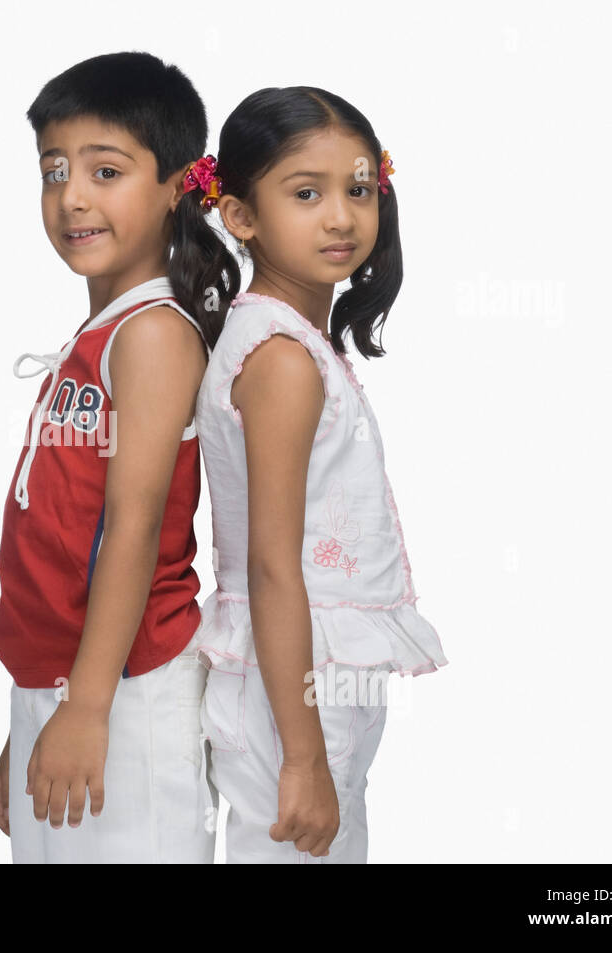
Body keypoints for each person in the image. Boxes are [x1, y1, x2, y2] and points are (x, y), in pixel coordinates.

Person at [0, 51, 240, 863]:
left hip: (127, 696)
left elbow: (132, 529)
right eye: (53, 169)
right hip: (61, 691)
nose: (72, 196)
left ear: (177, 185)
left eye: (106, 169)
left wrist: (88, 705)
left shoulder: (154, 334)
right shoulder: (99, 337)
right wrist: (28, 714)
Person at [188, 86, 449, 863]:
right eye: (307, 193)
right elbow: (272, 565)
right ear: (239, 215)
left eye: (358, 190)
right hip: (295, 685)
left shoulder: (293, 341)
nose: (341, 217)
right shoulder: (281, 361)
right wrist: (303, 757)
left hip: (310, 673)